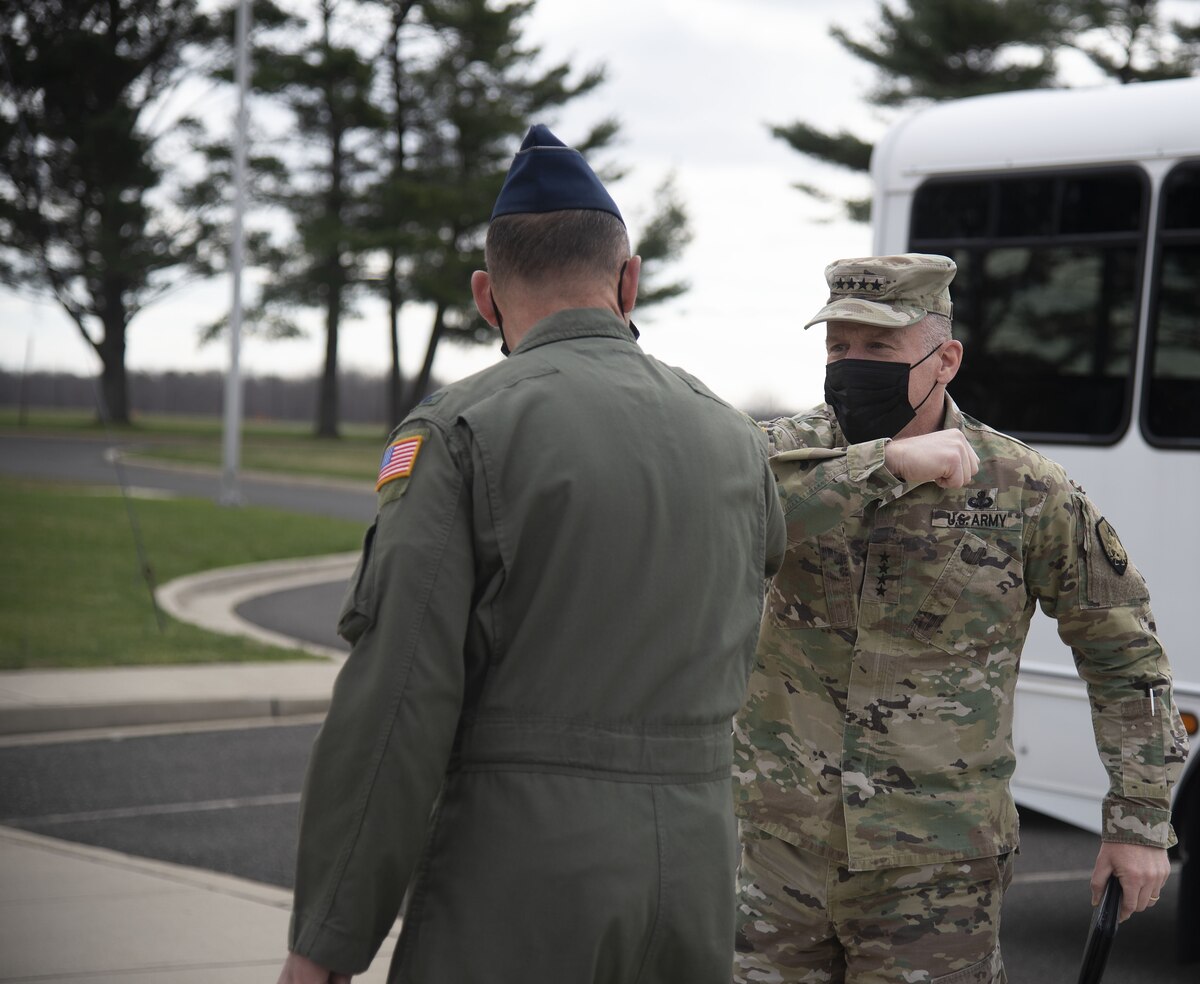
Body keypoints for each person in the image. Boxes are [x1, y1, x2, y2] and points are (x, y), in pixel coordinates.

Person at [276, 124, 786, 984]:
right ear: (629, 281)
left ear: (485, 295)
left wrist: (329, 938)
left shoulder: (461, 430)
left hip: (523, 882)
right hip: (700, 879)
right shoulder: (733, 436)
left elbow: (399, 696)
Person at [733, 253, 1190, 983]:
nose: (851, 365)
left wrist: (1138, 823)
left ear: (944, 359)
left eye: (878, 348)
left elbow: (1124, 652)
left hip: (938, 870)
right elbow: (725, 517)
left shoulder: (1024, 490)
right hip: (776, 854)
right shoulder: (777, 457)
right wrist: (888, 464)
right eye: (837, 346)